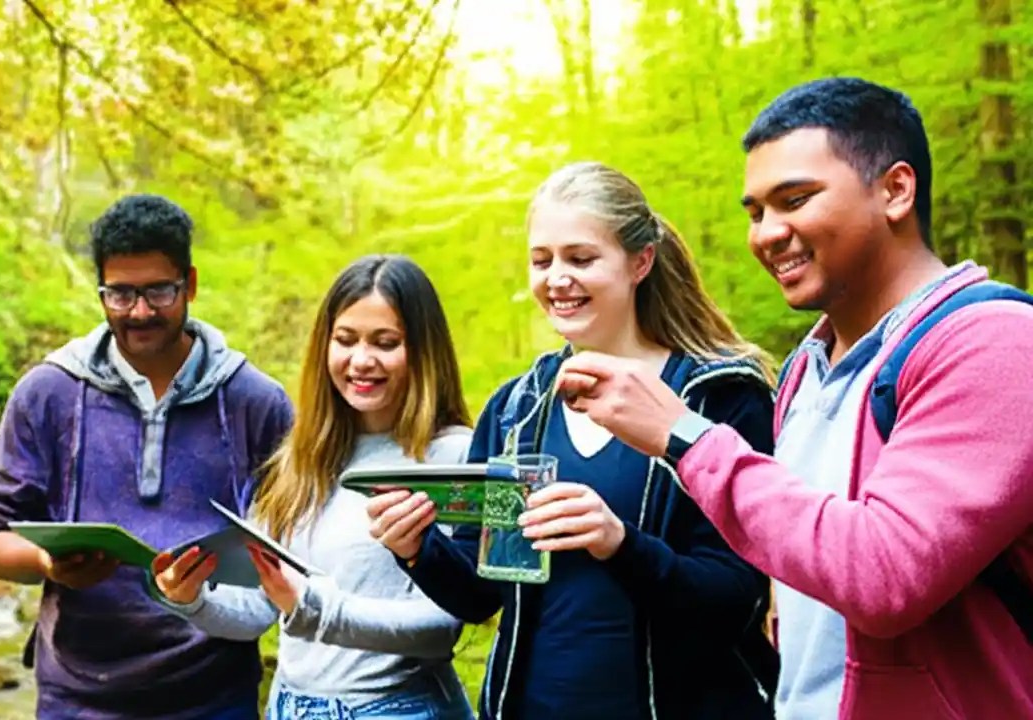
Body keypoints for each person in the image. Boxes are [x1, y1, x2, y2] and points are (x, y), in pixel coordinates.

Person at [554, 77, 1033, 720]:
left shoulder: (995, 342)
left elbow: (885, 575)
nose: (767, 234)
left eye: (796, 199)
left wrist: (686, 436)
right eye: (755, 211)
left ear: (895, 190)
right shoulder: (806, 369)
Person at [368, 162, 780, 720]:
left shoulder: (717, 397)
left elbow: (738, 598)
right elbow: (480, 593)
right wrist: (416, 549)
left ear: (641, 261)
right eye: (542, 261)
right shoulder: (518, 409)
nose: (556, 278)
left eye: (581, 259)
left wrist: (620, 543)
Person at [0, 194, 293, 719]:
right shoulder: (48, 393)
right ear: (101, 292)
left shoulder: (256, 402)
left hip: (215, 693)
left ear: (191, 285)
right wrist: (49, 564)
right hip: (78, 696)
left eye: (159, 291)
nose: (139, 311)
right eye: (120, 294)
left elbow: (292, 548)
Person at [152, 254, 477, 720]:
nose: (361, 361)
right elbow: (258, 609)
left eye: (386, 343)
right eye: (345, 340)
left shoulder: (452, 459)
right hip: (292, 705)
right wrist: (192, 599)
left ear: (424, 352)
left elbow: (440, 626)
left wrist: (315, 607)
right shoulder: (301, 457)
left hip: (398, 708)